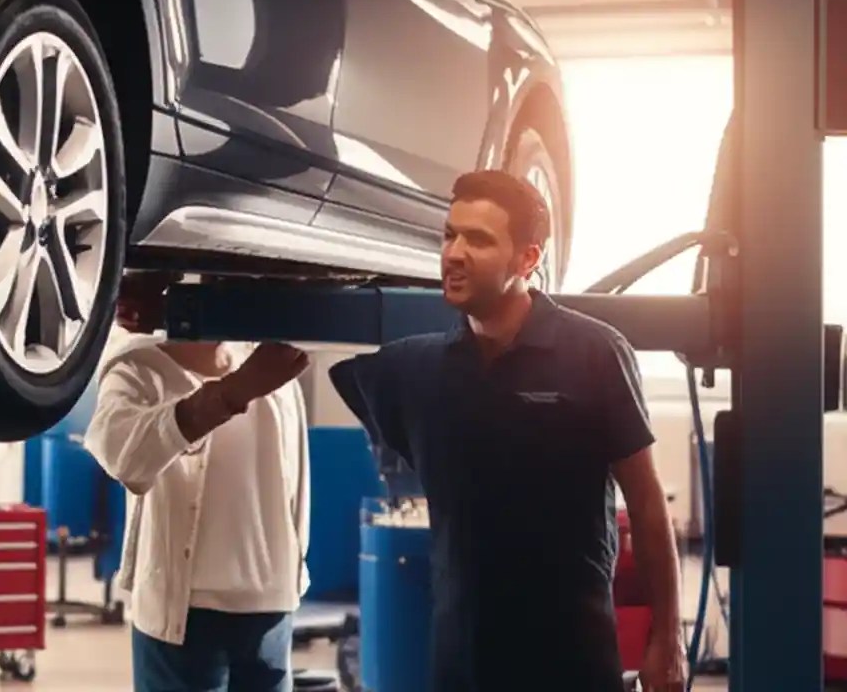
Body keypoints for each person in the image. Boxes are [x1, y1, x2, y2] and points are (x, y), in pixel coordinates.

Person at [329, 170, 688, 692]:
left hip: (571, 658)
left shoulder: (595, 353)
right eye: (450, 235)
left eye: (478, 239)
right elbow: (293, 346)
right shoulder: (416, 368)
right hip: (462, 660)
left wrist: (667, 638)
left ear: (528, 259)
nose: (453, 253)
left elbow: (649, 505)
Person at [83, 270, 312, 692]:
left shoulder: (270, 365)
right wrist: (230, 394)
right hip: (183, 619)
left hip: (271, 607)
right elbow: (122, 456)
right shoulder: (139, 365)